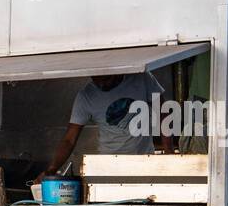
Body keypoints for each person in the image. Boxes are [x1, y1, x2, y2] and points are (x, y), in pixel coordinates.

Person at [42, 72, 174, 176]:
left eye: (106, 80)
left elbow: (163, 113)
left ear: (117, 71)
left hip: (144, 161)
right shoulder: (86, 96)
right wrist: (51, 169)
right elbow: (69, 139)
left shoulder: (142, 78)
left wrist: (168, 151)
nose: (102, 85)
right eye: (96, 80)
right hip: (109, 165)